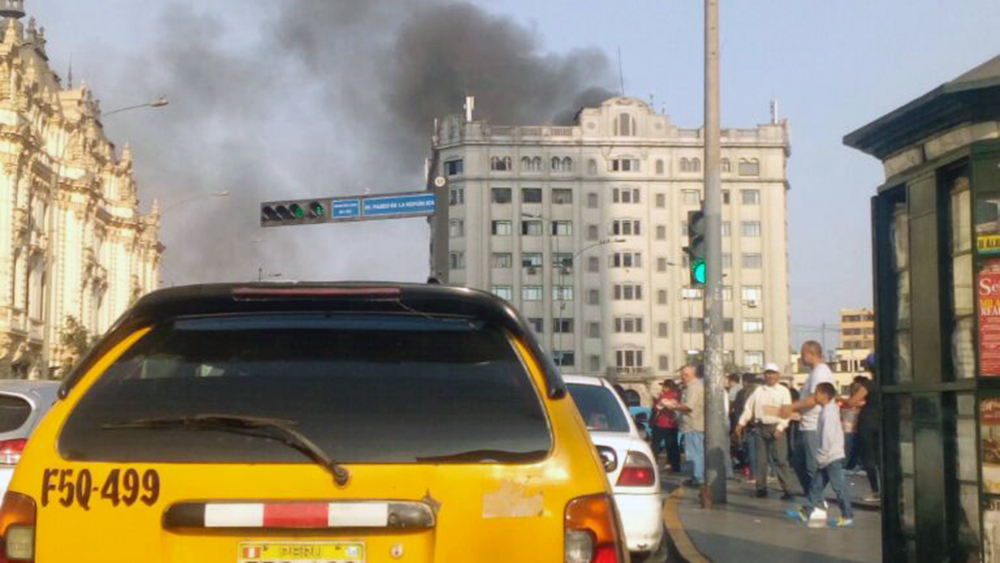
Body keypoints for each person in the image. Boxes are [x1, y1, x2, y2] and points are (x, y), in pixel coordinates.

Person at [788, 382, 854, 528]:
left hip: (830, 456)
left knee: (838, 487)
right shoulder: (828, 410)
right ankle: (807, 511)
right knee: (816, 486)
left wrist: (821, 455)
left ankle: (847, 515)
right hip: (828, 456)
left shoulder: (828, 413)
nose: (814, 395)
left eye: (817, 392)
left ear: (824, 395)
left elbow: (828, 437)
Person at [781, 341, 835, 504]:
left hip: (814, 426)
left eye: (803, 354)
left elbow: (814, 398)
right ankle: (812, 497)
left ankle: (817, 501)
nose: (801, 358)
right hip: (806, 424)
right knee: (798, 463)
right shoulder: (814, 373)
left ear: (811, 354)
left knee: (812, 466)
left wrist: (792, 406)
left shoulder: (820, 373)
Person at [734, 363, 797, 500]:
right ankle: (761, 488)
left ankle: (788, 490)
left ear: (778, 375)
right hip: (760, 427)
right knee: (760, 461)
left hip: (776, 426)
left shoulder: (783, 391)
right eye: (768, 373)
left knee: (780, 460)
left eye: (773, 373)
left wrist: (781, 428)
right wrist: (741, 423)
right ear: (764, 375)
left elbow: (787, 412)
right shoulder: (758, 390)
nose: (770, 376)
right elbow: (749, 408)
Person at [846, 355, 881, 502]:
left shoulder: (869, 384)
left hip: (867, 422)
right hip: (882, 422)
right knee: (881, 458)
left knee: (868, 458)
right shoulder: (889, 383)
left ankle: (875, 491)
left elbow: (852, 401)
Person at [666, 365, 704, 487]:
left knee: (695, 453)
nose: (683, 377)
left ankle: (698, 478)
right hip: (691, 424)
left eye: (685, 375)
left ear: (692, 375)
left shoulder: (694, 387)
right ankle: (696, 477)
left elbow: (689, 406)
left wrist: (673, 406)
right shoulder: (690, 387)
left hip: (694, 425)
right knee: (694, 452)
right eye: (682, 374)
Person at [651, 379, 682, 473]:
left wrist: (658, 399)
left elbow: (656, 408)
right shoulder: (677, 396)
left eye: (663, 386)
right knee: (672, 447)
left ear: (667, 387)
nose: (662, 388)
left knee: (655, 446)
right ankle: (675, 466)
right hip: (673, 424)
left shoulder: (663, 396)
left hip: (661, 423)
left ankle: (653, 464)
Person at [732, 372, 759, 479]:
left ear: (744, 381)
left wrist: (739, 425)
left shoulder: (742, 392)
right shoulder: (761, 390)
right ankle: (770, 473)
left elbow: (738, 410)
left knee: (750, 450)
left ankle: (753, 474)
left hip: (748, 424)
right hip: (762, 423)